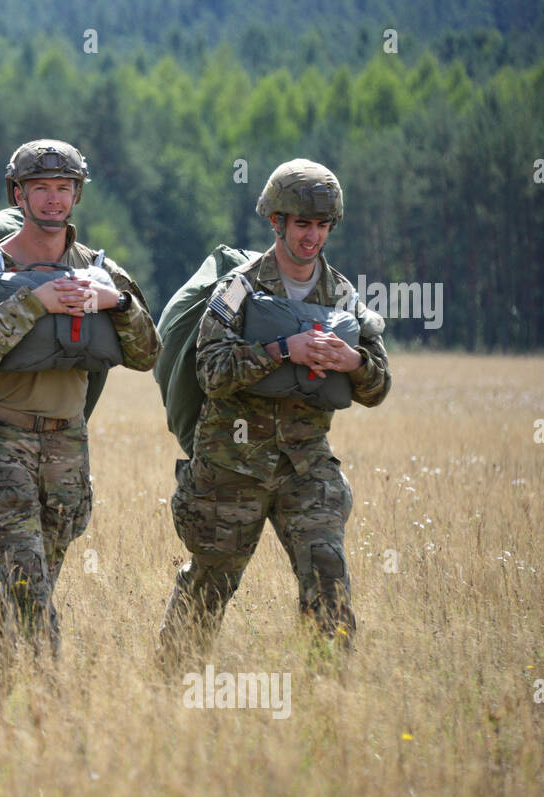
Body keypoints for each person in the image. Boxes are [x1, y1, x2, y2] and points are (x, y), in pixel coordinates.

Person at [158, 158, 391, 658]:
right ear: (276, 222)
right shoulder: (238, 289)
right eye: (302, 224)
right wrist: (283, 351)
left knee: (328, 577)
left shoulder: (344, 296)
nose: (312, 236)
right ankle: (166, 687)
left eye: (322, 225)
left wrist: (352, 361)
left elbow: (377, 387)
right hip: (231, 464)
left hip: (306, 465)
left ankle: (328, 699)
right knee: (210, 583)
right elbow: (212, 372)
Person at [0, 139, 160, 670]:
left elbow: (146, 353)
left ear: (77, 195)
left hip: (67, 440)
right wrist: (34, 302)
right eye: (40, 187)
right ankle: (51, 696)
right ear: (18, 195)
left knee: (32, 580)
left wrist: (117, 303)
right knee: (27, 576)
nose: (52, 199)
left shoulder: (98, 269)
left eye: (63, 188)